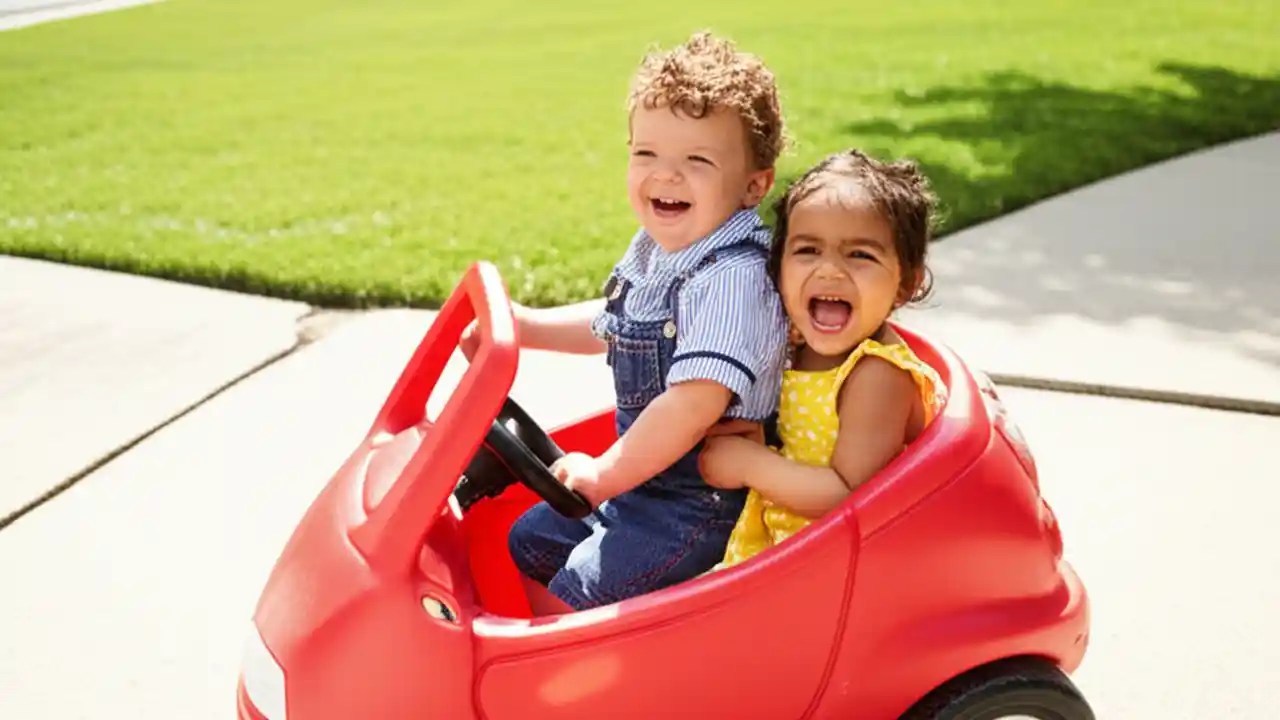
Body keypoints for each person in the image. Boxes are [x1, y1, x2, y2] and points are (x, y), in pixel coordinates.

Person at [464, 31, 790, 611]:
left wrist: (606, 474)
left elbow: (692, 405)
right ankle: (566, 666)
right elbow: (614, 321)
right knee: (531, 539)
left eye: (697, 161)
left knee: (585, 592)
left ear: (753, 185)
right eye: (647, 155)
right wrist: (527, 326)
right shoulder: (658, 249)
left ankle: (566, 691)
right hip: (643, 485)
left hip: (697, 508)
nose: (665, 176)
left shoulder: (730, 279)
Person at [703, 148, 948, 569]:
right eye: (808, 250)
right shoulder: (799, 344)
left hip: (837, 568)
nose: (829, 271)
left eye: (860, 255)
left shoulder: (876, 374)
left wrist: (750, 465)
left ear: (905, 285)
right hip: (788, 542)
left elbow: (848, 494)